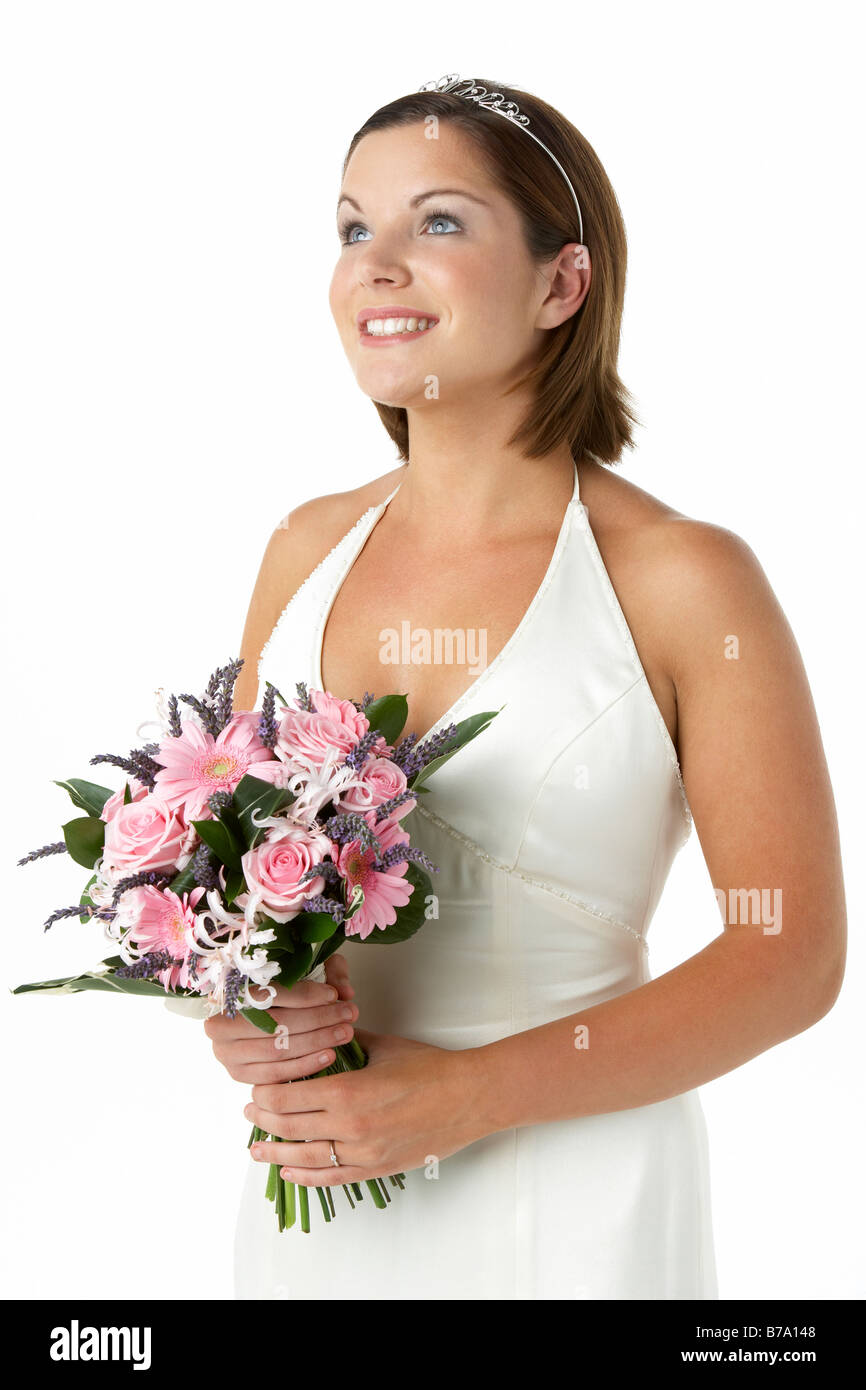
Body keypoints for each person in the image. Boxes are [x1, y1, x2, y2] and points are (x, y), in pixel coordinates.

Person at [206, 75, 846, 1299]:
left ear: (563, 282)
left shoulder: (682, 578)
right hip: (319, 1201)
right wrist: (243, 1011)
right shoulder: (300, 549)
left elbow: (789, 955)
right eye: (352, 228)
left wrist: (465, 1096)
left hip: (577, 1205)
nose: (376, 264)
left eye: (437, 223)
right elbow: (239, 883)